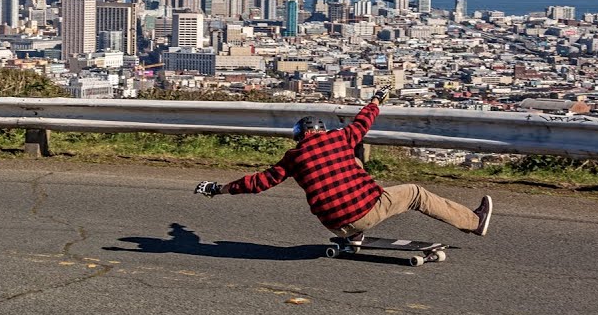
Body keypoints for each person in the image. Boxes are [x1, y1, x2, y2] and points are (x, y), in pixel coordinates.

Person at [194, 88, 492, 241]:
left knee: (353, 170)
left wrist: (217, 188)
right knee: (415, 193)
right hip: (365, 211)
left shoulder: (293, 158)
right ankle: (474, 223)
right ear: (322, 130)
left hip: (335, 225)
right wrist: (376, 99)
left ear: (299, 138)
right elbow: (363, 121)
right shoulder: (340, 138)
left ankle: (354, 234)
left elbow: (257, 183)